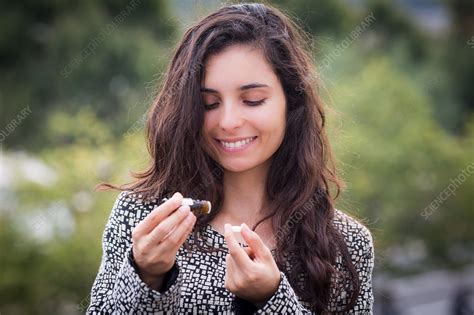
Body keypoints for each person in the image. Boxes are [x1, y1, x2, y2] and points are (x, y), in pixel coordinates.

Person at [87, 3, 374, 314]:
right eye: (208, 103)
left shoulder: (344, 242)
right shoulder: (142, 218)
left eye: (252, 100)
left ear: (291, 102)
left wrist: (272, 299)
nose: (228, 121)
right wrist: (146, 275)